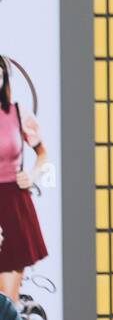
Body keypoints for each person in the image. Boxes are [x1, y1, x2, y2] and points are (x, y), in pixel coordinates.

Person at [0, 55, 49, 304]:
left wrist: (32, 175)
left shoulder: (19, 114)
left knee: (7, 303)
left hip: (12, 206)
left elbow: (42, 153)